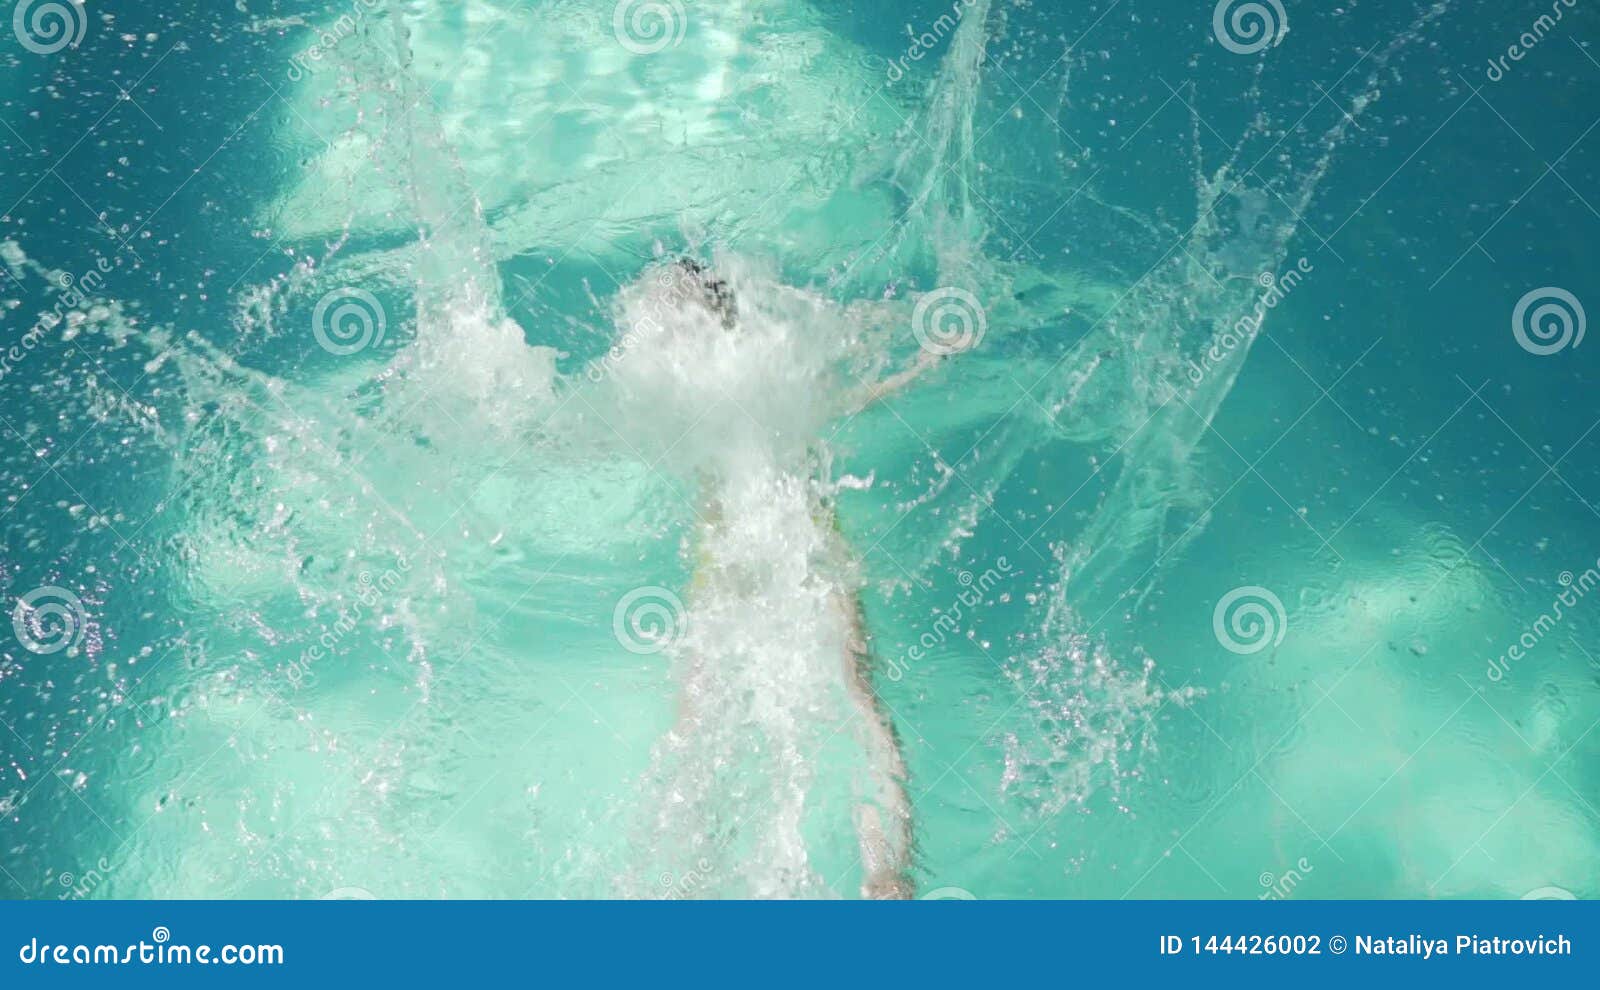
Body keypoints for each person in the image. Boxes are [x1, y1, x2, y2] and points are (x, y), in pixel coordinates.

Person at [644, 257, 961, 899]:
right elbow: (859, 399)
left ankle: (691, 882)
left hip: (741, 555)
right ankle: (887, 874)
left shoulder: (682, 400)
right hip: (802, 547)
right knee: (853, 694)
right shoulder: (774, 382)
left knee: (701, 714)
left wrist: (925, 364)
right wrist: (927, 363)